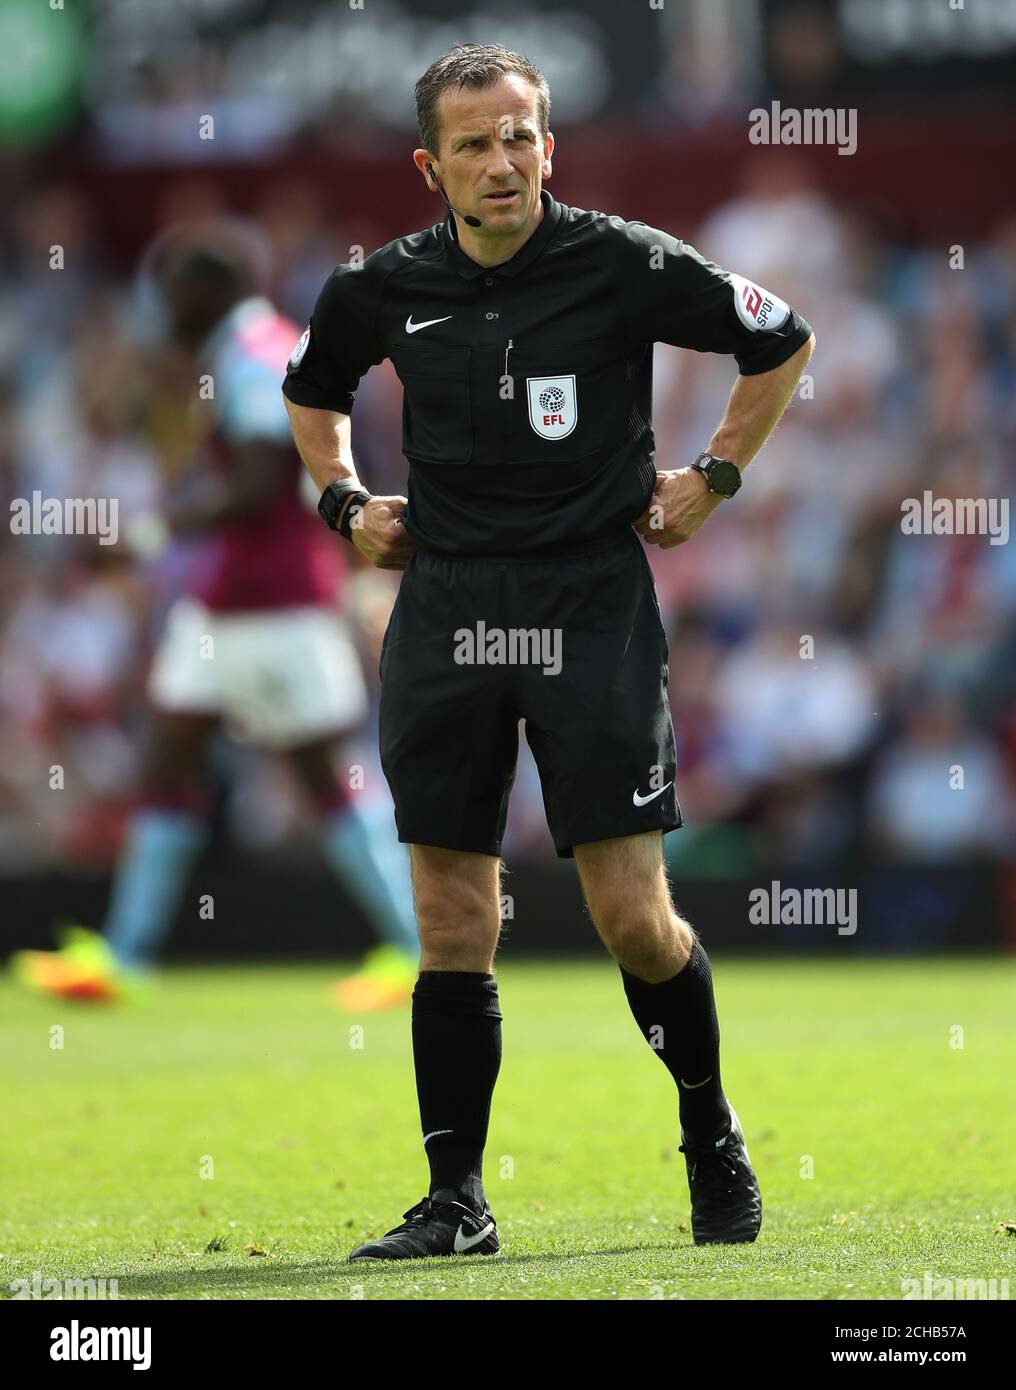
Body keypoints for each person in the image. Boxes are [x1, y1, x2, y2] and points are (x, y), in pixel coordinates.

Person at [281, 43, 814, 1259]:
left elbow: (779, 340)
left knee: (631, 915)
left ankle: (707, 1129)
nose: (502, 159)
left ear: (548, 147)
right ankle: (455, 1200)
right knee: (450, 917)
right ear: (432, 167)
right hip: (448, 608)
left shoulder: (621, 262)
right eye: (474, 142)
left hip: (591, 605)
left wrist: (715, 476)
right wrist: (345, 502)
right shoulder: (378, 286)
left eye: (519, 134)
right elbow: (311, 396)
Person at [12, 221, 419, 1012]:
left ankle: (416, 948)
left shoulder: (256, 356)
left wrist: (146, 538)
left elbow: (262, 484)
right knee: (178, 755)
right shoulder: (249, 352)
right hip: (237, 600)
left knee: (318, 774)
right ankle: (126, 956)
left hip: (271, 601)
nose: (160, 304)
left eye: (170, 287)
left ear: (209, 289)